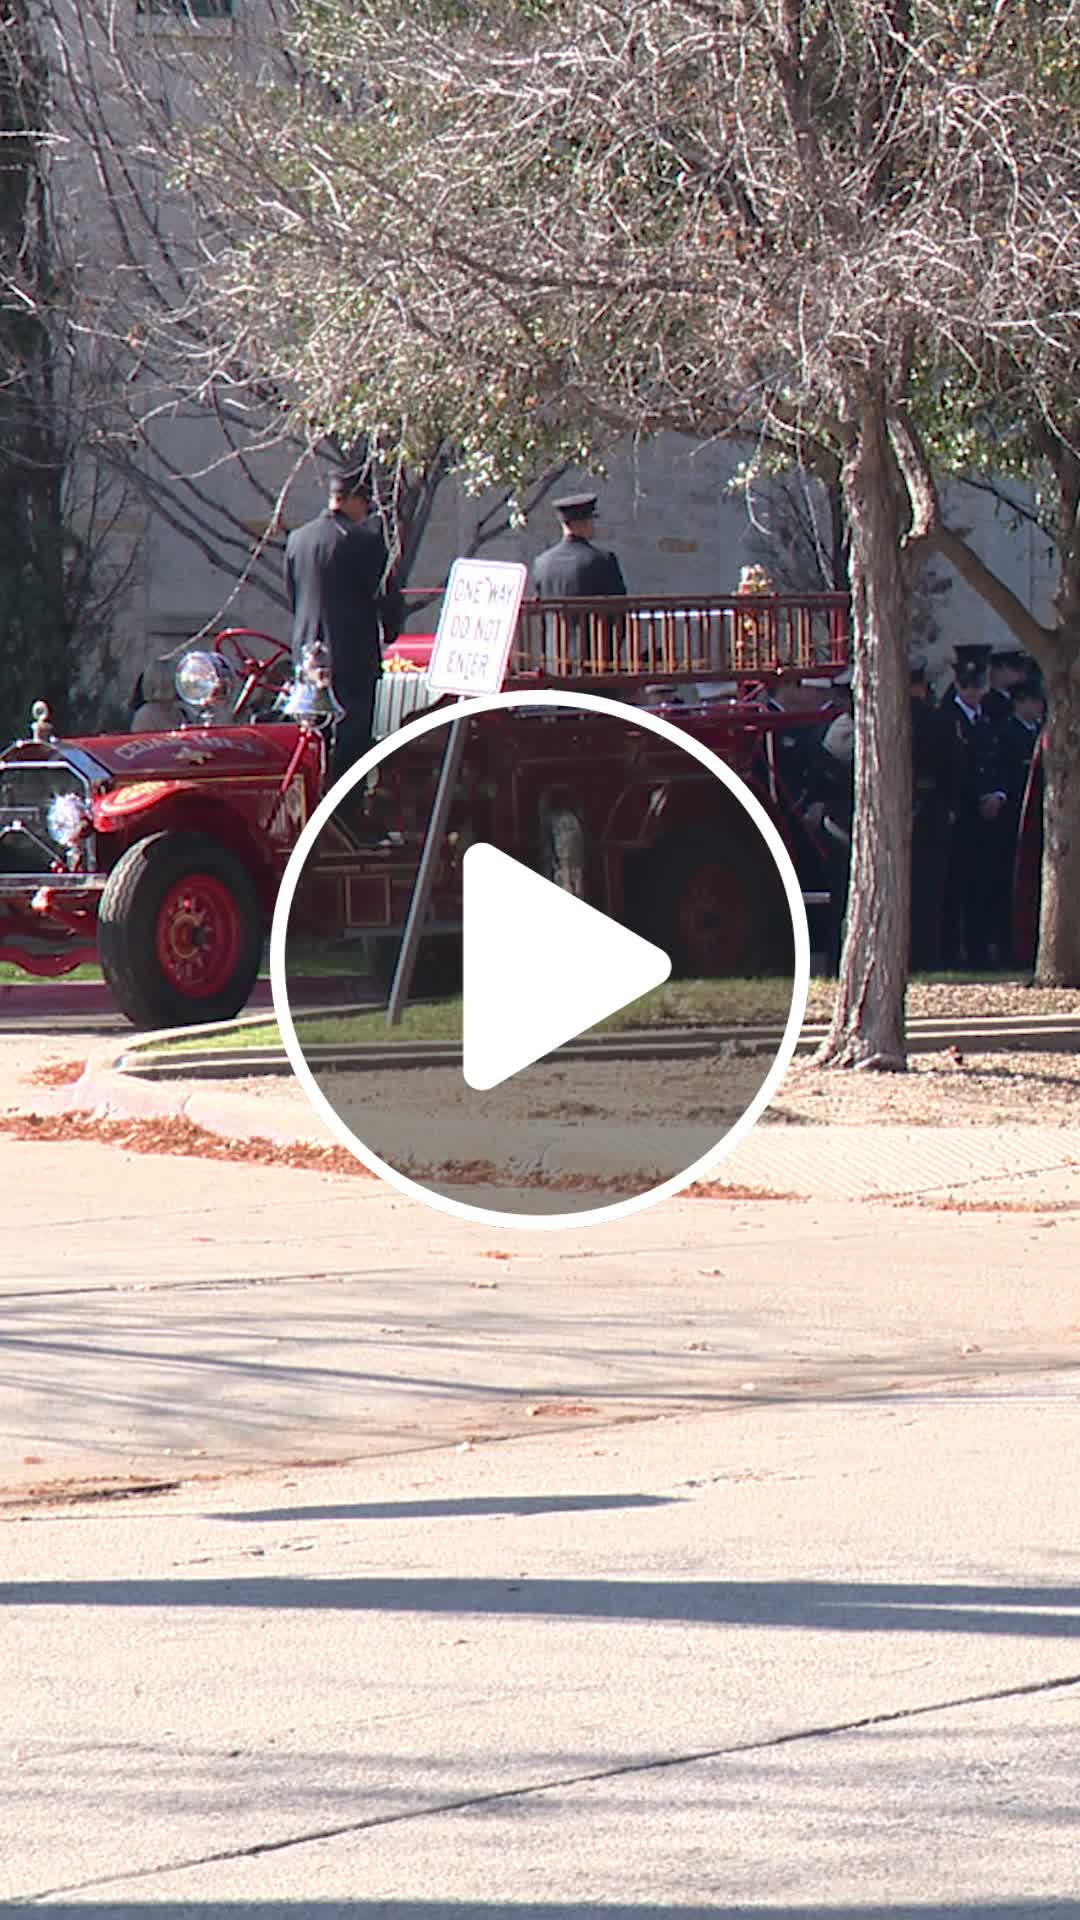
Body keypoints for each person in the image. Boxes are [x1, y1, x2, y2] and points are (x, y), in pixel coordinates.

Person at [284, 466, 402, 784]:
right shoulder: (364, 540)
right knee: (352, 738)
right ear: (354, 501)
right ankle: (346, 814)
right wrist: (392, 631)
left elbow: (294, 596)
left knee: (311, 733)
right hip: (351, 654)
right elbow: (386, 595)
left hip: (307, 652)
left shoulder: (297, 539)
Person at [941, 653, 1005, 970]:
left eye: (978, 686)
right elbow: (951, 771)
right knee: (955, 887)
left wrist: (997, 795)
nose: (973, 692)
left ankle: (981, 950)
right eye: (967, 686)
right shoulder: (947, 718)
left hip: (988, 818)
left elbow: (997, 762)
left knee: (984, 884)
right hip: (961, 817)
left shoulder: (990, 715)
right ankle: (952, 951)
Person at [532, 491, 627, 668]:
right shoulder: (602, 560)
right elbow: (619, 611)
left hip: (555, 661)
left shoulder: (541, 563)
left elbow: (543, 616)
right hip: (593, 661)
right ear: (584, 522)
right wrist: (611, 651)